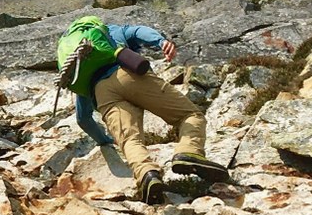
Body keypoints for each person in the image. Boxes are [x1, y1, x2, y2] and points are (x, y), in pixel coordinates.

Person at [65, 20, 221, 202]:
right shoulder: (111, 31)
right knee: (189, 115)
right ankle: (188, 151)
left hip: (101, 91)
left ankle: (148, 175)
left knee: (130, 140)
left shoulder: (80, 65)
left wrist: (105, 140)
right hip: (129, 73)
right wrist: (160, 42)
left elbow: (83, 118)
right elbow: (138, 31)